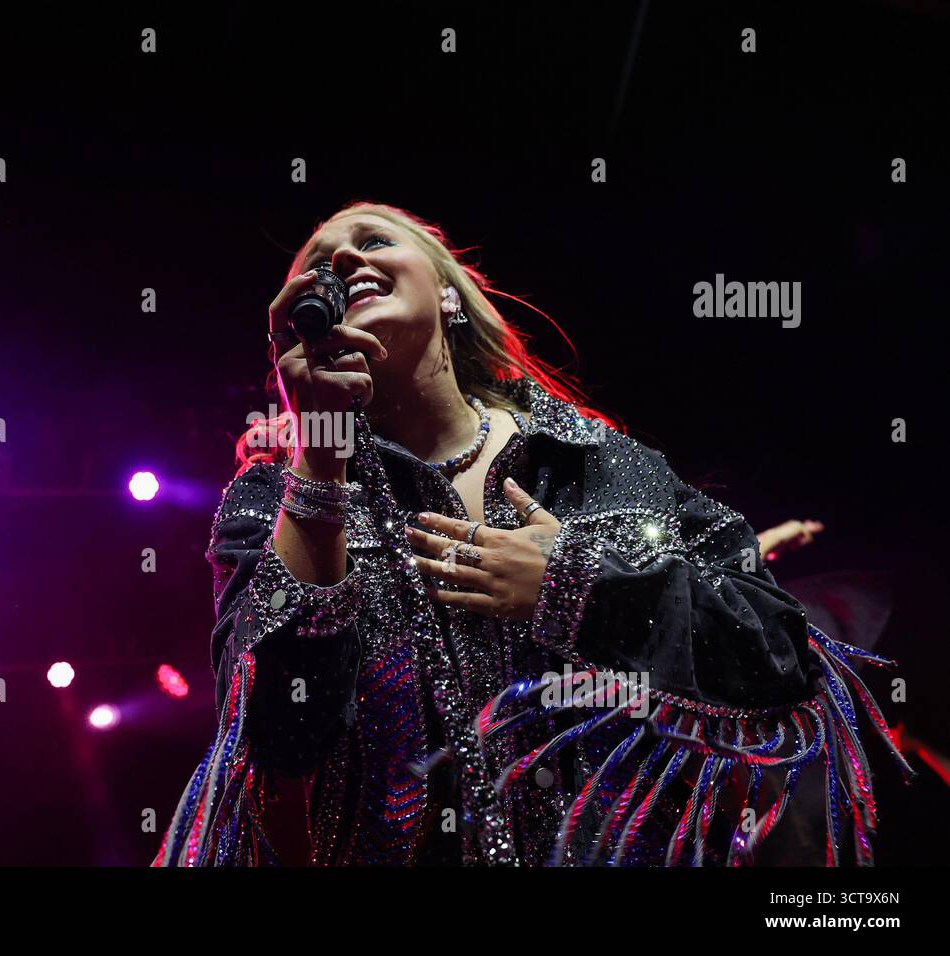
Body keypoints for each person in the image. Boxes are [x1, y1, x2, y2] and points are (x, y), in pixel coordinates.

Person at [153, 200, 911, 867]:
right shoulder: (275, 500)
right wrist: (321, 455)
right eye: (319, 266)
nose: (344, 259)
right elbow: (280, 742)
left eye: (374, 241)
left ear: (447, 293)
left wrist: (577, 589)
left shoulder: (597, 464)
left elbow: (778, 655)